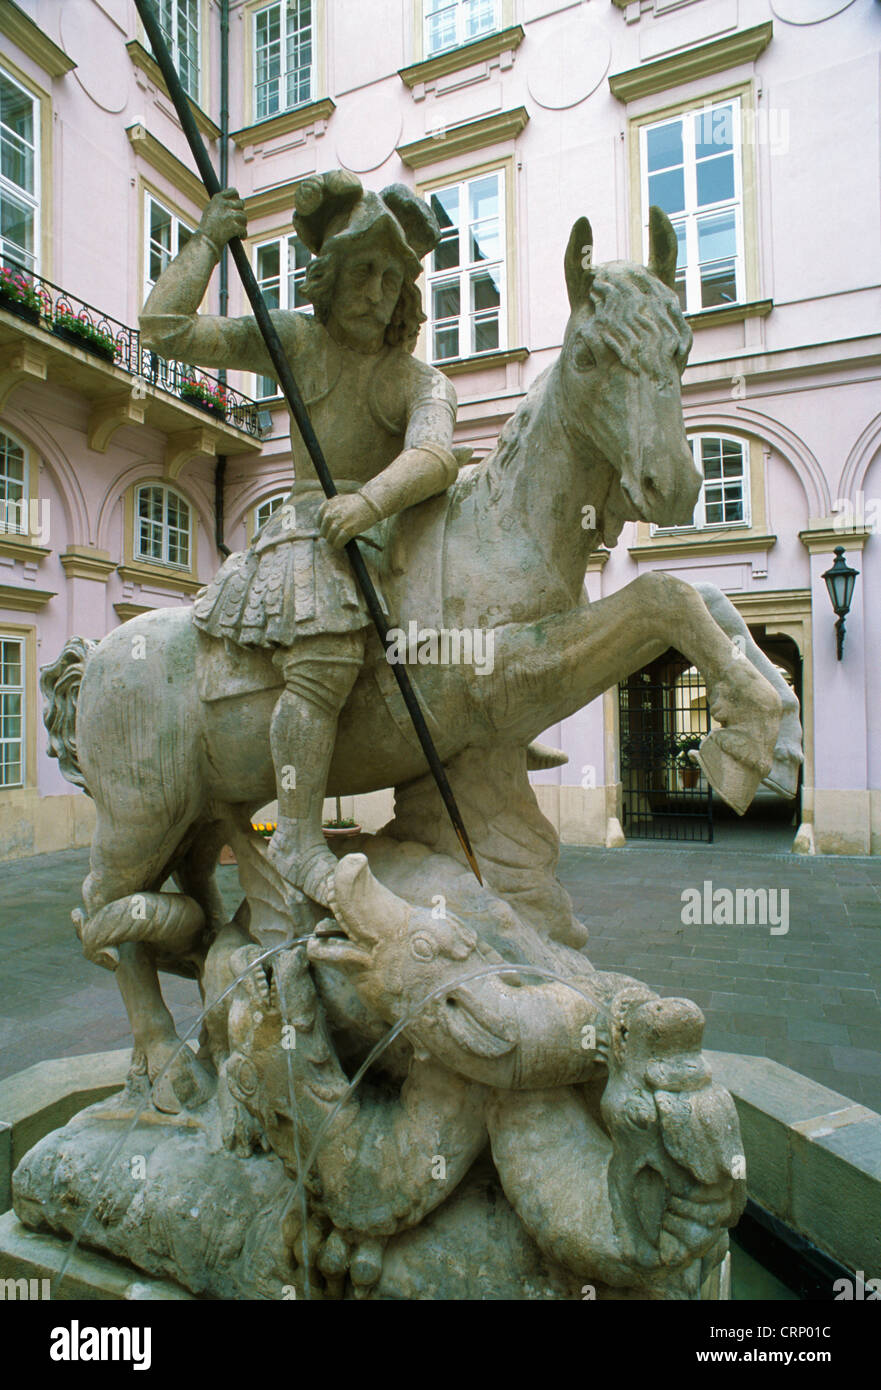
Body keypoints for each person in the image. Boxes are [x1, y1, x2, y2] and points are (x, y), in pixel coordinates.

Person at [140, 170, 459, 907]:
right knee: (326, 655)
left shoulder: (419, 379)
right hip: (311, 535)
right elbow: (165, 331)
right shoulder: (293, 340)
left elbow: (438, 453)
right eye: (363, 270)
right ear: (330, 275)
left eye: (390, 276)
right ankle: (297, 833)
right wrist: (208, 242)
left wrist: (372, 499)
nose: (376, 289)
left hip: (390, 528)